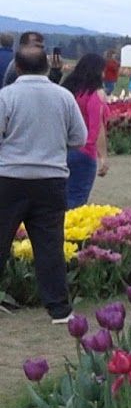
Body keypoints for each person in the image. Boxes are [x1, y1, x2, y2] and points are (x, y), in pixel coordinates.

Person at [0, 42, 87, 322]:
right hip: (51, 179)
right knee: (49, 245)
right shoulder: (63, 96)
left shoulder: (6, 96)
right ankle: (59, 309)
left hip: (10, 178)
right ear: (48, 66)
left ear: (17, 67)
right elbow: (79, 138)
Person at [61, 52, 111, 208]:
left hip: (62, 149)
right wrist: (103, 157)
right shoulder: (95, 94)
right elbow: (97, 127)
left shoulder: (68, 90)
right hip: (84, 150)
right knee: (76, 199)